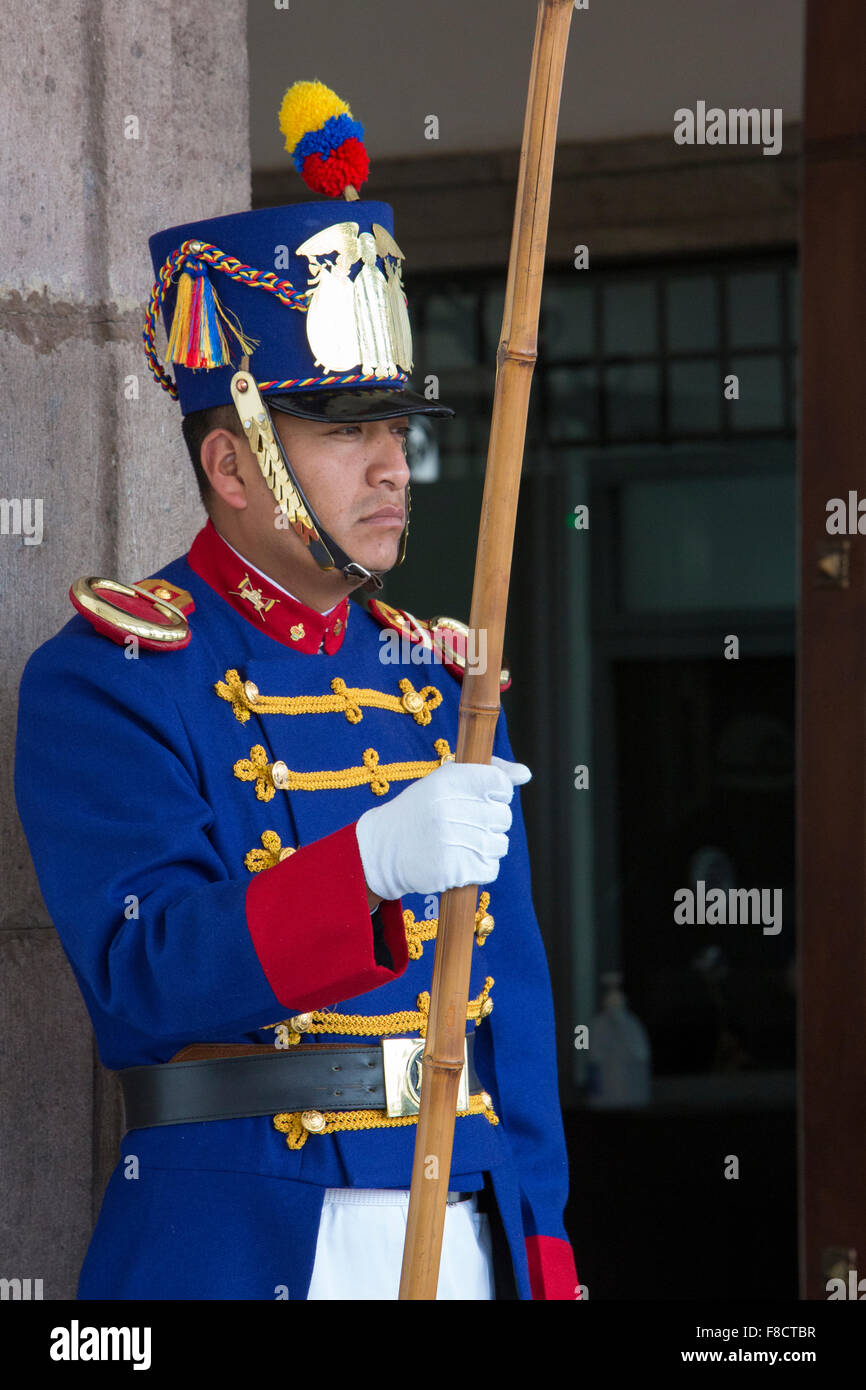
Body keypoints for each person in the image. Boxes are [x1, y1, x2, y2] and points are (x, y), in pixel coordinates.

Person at [14, 80, 578, 1300]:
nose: (393, 464)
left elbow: (509, 1019)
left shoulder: (435, 683)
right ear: (231, 460)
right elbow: (146, 976)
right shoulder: (106, 679)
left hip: (462, 1219)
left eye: (395, 425)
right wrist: (367, 861)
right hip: (244, 1243)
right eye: (341, 430)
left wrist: (542, 1248)